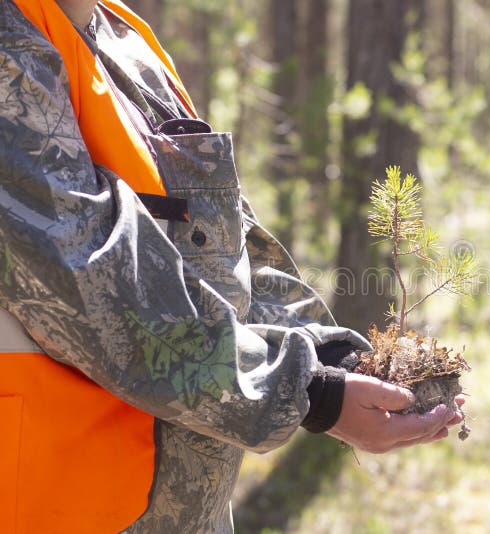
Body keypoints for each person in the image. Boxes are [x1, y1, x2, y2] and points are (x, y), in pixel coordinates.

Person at [0, 0, 465, 531]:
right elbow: (93, 281)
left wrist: (333, 355)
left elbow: (224, 242)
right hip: (52, 505)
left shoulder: (123, 37)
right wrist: (311, 392)